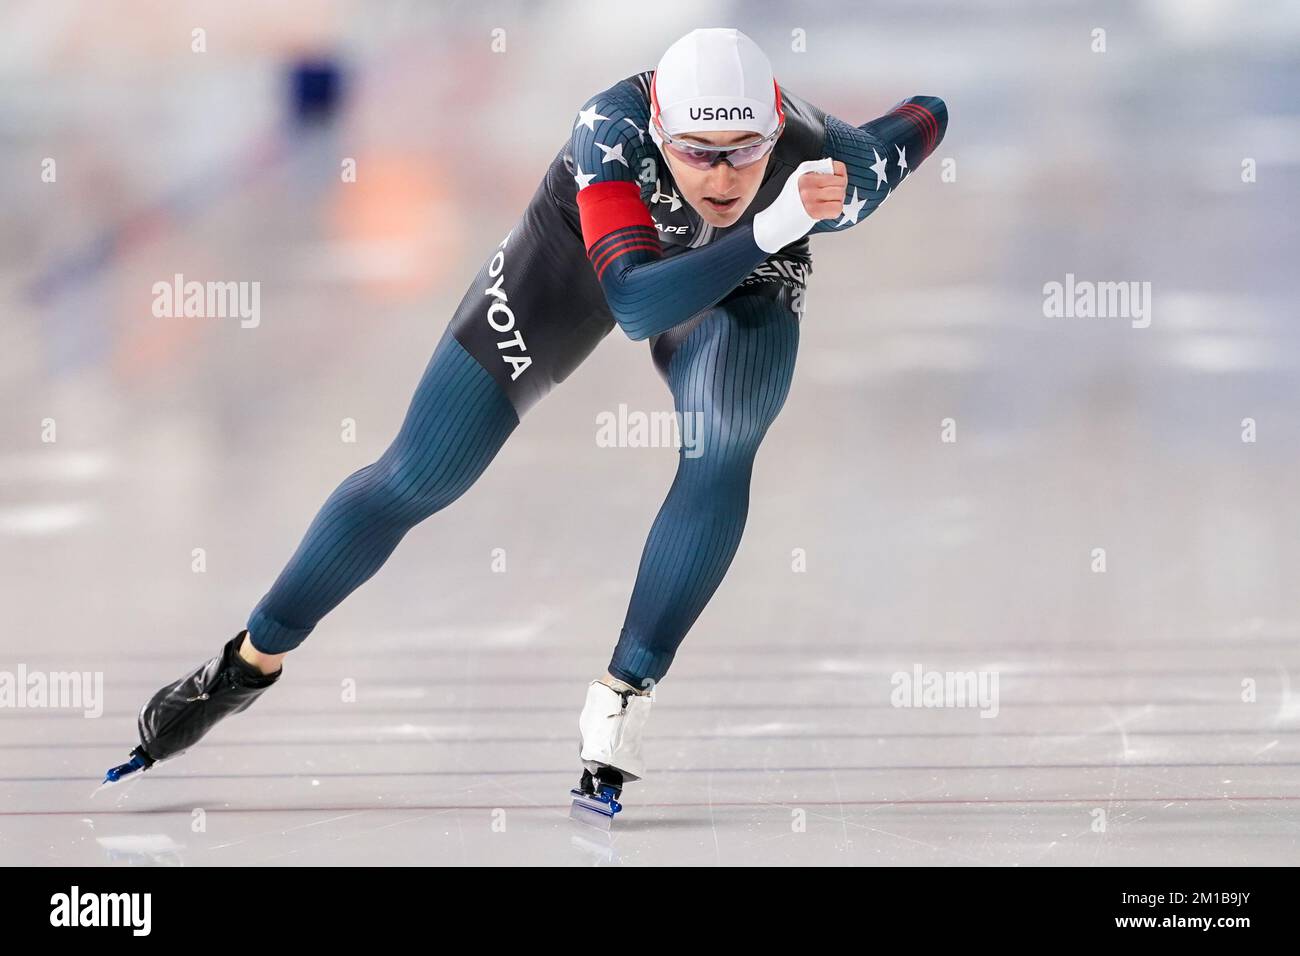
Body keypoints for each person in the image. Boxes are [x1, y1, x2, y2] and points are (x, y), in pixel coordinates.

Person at [105, 28, 948, 818]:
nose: (723, 178)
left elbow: (917, 126)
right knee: (418, 475)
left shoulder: (825, 165)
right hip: (578, 269)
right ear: (660, 129)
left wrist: (872, 152)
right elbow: (635, 302)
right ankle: (247, 661)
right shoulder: (611, 131)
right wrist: (774, 219)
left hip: (742, 282)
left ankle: (624, 696)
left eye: (745, 155)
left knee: (723, 438)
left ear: (774, 135)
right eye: (697, 154)